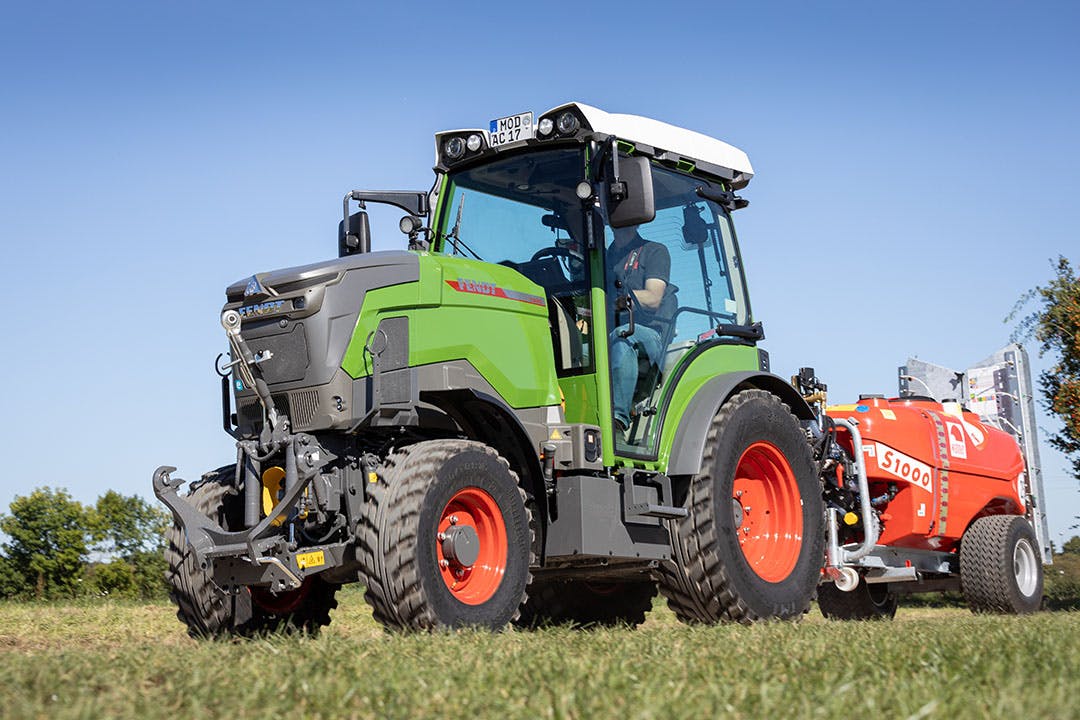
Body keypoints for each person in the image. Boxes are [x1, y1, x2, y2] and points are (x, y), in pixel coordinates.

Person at [606, 224, 672, 433]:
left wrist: (616, 302)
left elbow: (653, 297)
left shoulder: (654, 251)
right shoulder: (604, 258)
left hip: (648, 334)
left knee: (623, 336)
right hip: (606, 333)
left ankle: (616, 421)